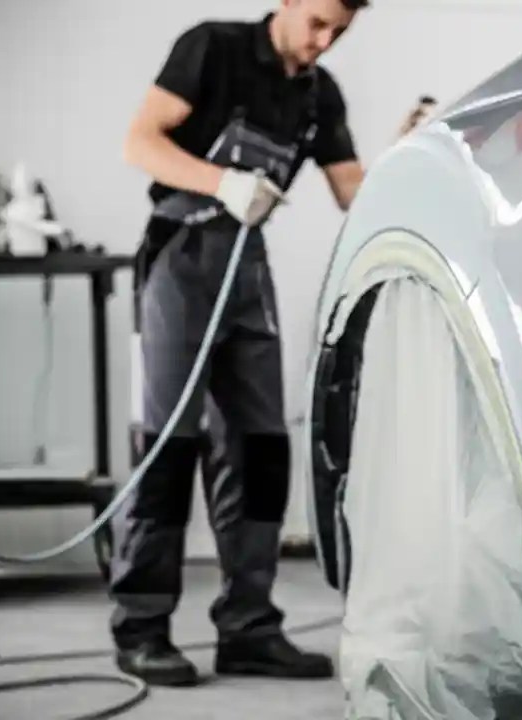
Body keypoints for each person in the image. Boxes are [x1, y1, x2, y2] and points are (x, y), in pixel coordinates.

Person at [109, 0, 429, 687]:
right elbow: (140, 142)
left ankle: (249, 628)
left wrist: (405, 157)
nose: (323, 41)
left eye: (339, 31)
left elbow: (354, 193)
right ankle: (141, 627)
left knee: (260, 447)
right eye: (316, 22)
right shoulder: (211, 48)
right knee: (171, 442)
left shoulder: (318, 94)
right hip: (182, 254)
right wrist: (221, 180)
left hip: (247, 269)